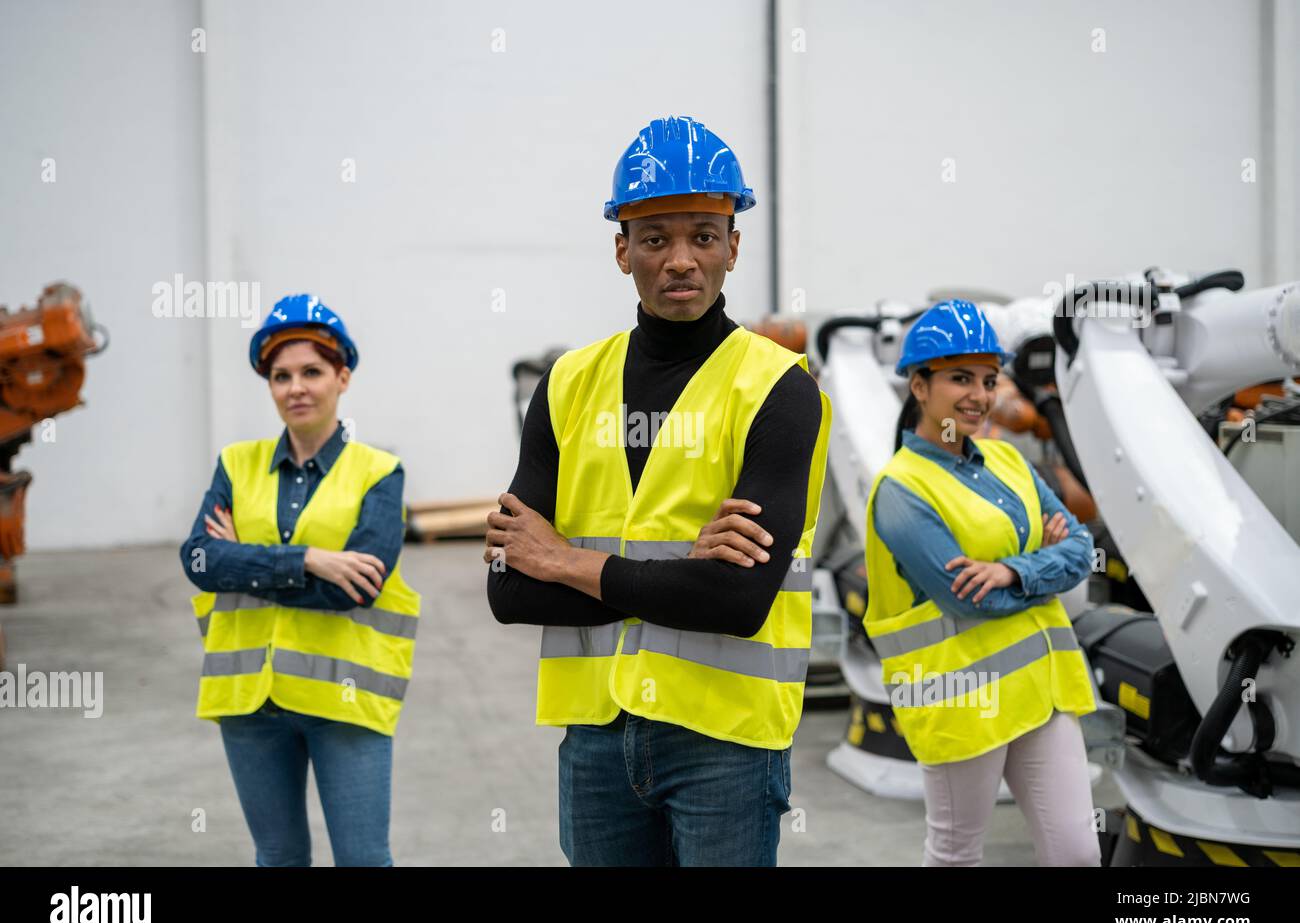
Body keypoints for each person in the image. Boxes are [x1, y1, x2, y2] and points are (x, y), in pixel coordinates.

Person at [485, 116, 831, 866]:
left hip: (724, 743)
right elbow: (511, 589)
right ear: (622, 250)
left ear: (734, 245)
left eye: (704, 235)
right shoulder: (569, 384)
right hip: (596, 740)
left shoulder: (777, 388)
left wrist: (566, 560)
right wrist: (684, 573)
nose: (681, 260)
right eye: (654, 238)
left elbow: (737, 604)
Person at [180, 293, 420, 867]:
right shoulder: (235, 464)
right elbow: (197, 562)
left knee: (364, 859)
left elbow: (354, 588)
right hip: (247, 703)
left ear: (342, 377)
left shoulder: (379, 473)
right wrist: (307, 559)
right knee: (278, 857)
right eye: (280, 375)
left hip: (345, 699)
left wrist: (244, 558)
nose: (296, 388)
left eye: (311, 371)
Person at [864, 298, 1100, 866]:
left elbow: (1082, 550)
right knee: (956, 853)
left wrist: (1013, 568)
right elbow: (974, 597)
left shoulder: (1009, 460)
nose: (979, 395)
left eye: (989, 379)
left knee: (1077, 854)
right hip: (960, 701)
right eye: (960, 378)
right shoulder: (901, 489)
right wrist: (1039, 563)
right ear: (919, 386)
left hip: (1041, 692)